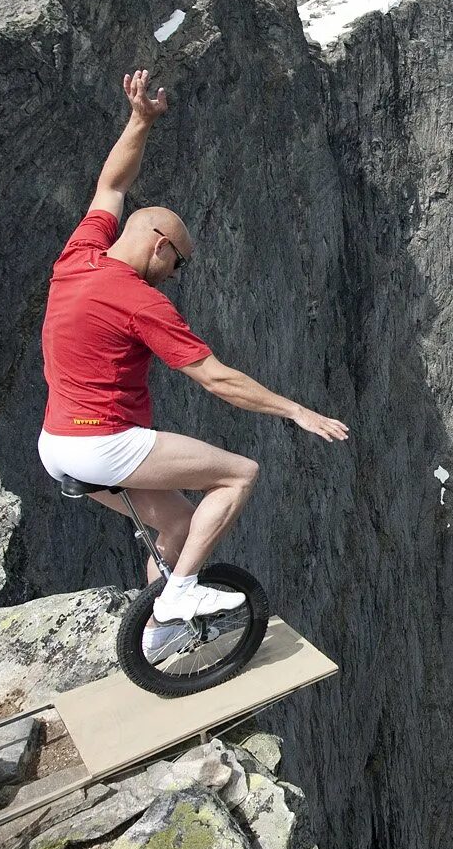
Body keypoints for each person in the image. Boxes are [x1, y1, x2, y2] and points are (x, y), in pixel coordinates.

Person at [37, 69, 349, 658]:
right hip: (102, 442)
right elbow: (216, 378)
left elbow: (110, 185)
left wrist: (139, 121)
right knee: (240, 473)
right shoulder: (138, 300)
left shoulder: (77, 257)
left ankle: (156, 637)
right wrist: (297, 411)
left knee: (176, 526)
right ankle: (179, 594)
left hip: (55, 443)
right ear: (159, 246)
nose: (177, 275)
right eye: (178, 263)